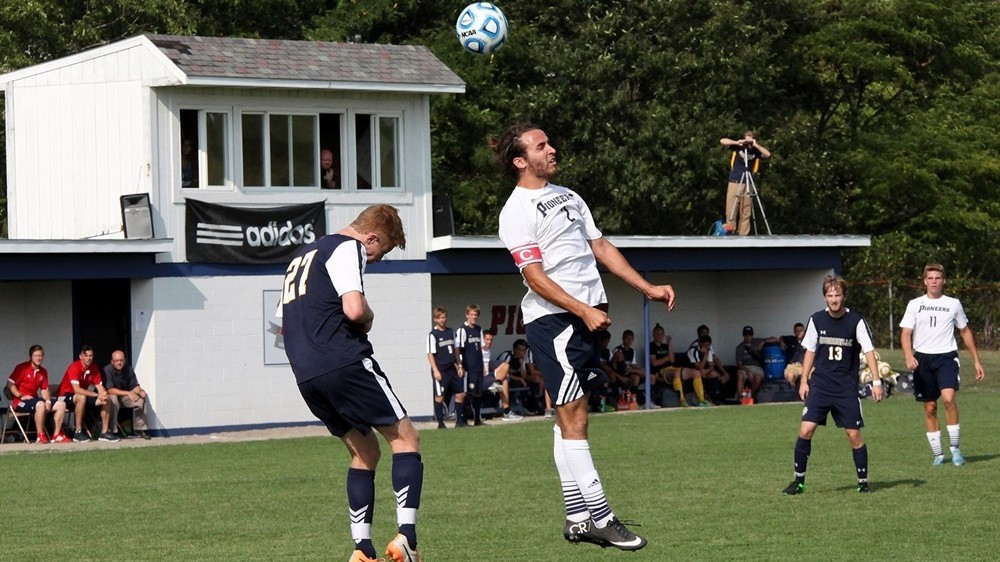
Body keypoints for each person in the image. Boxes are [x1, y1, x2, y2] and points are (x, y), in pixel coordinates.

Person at [495, 123, 676, 551]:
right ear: (522, 161)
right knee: (574, 417)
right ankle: (601, 516)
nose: (552, 149)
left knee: (568, 419)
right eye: (542, 146)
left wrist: (646, 288)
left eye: (549, 143)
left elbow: (601, 247)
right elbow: (535, 279)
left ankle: (577, 518)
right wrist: (583, 311)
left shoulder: (570, 195)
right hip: (555, 323)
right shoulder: (515, 211)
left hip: (584, 322)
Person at [281, 204, 423, 562]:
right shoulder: (347, 247)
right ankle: (407, 538)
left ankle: (363, 549)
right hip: (342, 360)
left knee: (365, 451)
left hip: (306, 374)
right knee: (406, 438)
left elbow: (278, 326)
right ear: (371, 236)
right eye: (381, 251)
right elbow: (355, 310)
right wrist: (369, 316)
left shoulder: (301, 257)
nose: (375, 259)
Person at [782, 275, 882, 496]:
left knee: (853, 435)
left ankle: (863, 481)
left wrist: (876, 382)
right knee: (806, 430)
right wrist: (804, 380)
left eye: (837, 295)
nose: (834, 299)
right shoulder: (816, 320)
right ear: (825, 297)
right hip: (820, 386)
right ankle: (798, 482)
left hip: (845, 388)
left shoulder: (856, 321)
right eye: (830, 295)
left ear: (844, 296)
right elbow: (809, 351)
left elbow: (868, 352)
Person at [899, 263, 986, 466]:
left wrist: (976, 361)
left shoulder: (953, 304)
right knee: (930, 407)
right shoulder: (914, 304)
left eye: (938, 278)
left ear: (944, 280)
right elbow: (905, 333)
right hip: (922, 359)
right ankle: (938, 454)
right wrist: (908, 355)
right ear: (924, 281)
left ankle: (955, 450)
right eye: (930, 278)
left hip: (946, 357)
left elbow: (965, 331)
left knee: (948, 398)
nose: (934, 281)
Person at [6, 345, 71, 444]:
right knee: (40, 404)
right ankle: (40, 435)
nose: (38, 358)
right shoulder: (22, 368)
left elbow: (44, 390)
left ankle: (56, 435)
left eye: (40, 356)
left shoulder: (43, 371)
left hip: (34, 400)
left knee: (61, 404)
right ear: (31, 356)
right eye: (36, 356)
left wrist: (48, 401)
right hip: (20, 402)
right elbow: (10, 384)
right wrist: (20, 396)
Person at [57, 345, 119, 442]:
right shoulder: (74, 367)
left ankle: (104, 432)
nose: (88, 358)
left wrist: (103, 394)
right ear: (80, 356)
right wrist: (96, 395)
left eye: (91, 356)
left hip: (83, 396)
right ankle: (78, 432)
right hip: (65, 396)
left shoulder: (94, 368)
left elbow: (100, 387)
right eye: (86, 356)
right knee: (81, 397)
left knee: (106, 399)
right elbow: (76, 390)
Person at [720, 131, 770, 235]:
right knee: (731, 209)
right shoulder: (739, 147)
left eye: (749, 140)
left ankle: (743, 234)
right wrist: (736, 142)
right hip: (735, 180)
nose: (747, 143)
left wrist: (755, 145)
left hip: (748, 182)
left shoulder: (756, 151)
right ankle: (730, 231)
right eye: (746, 139)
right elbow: (722, 141)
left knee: (746, 210)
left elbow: (767, 154)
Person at [649, 324, 710, 407]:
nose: (660, 336)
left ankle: (701, 400)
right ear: (653, 335)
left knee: (696, 373)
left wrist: (669, 344)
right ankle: (682, 400)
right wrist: (666, 358)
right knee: (676, 372)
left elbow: (672, 359)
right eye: (658, 334)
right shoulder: (651, 346)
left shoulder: (665, 346)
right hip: (660, 373)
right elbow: (654, 363)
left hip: (671, 369)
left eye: (662, 334)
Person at [427, 306, 467, 429]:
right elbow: (430, 354)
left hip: (452, 368)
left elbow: (455, 350)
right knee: (440, 395)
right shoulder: (433, 335)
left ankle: (459, 421)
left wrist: (459, 365)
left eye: (444, 317)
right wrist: (435, 370)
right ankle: (440, 423)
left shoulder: (451, 332)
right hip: (441, 369)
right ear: (435, 319)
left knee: (460, 393)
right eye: (440, 318)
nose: (443, 320)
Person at [103, 350, 152, 439]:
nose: (119, 363)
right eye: (117, 360)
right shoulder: (107, 369)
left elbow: (134, 386)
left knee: (141, 398)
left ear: (124, 361)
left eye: (121, 360)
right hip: (110, 400)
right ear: (112, 361)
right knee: (113, 398)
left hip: (124, 399)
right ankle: (112, 431)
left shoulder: (128, 369)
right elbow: (109, 390)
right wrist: (128, 393)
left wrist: (141, 391)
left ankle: (140, 430)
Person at [480, 329, 523, 421]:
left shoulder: (487, 351)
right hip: (479, 379)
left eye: (491, 340)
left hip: (488, 377)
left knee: (505, 369)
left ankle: (497, 383)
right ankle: (507, 411)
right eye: (487, 339)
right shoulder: (477, 350)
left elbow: (489, 364)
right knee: (504, 380)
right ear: (482, 339)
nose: (489, 342)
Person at [455, 304, 486, 425]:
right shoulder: (462, 330)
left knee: (478, 393)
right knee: (465, 392)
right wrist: (460, 365)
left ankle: (477, 420)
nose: (474, 317)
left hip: (478, 366)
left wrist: (483, 365)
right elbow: (458, 348)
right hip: (468, 367)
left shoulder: (479, 329)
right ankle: (462, 420)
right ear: (467, 314)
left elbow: (481, 349)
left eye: (476, 315)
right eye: (471, 314)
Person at [690, 335, 730, 403]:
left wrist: (706, 372)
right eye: (705, 345)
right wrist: (705, 355)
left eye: (708, 345)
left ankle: (715, 398)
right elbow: (699, 367)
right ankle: (705, 397)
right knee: (701, 372)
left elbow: (711, 366)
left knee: (714, 374)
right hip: (691, 371)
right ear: (700, 344)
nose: (707, 347)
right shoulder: (693, 350)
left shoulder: (709, 351)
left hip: (703, 372)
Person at [734, 325, 769, 401]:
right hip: (745, 367)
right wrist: (748, 371)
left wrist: (763, 342)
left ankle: (749, 396)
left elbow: (775, 339)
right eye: (746, 335)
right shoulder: (739, 347)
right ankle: (740, 398)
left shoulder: (757, 341)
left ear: (752, 335)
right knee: (740, 375)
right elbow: (739, 364)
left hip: (757, 367)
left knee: (758, 378)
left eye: (750, 335)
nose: (748, 337)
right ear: (743, 335)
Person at [781, 322, 808, 387]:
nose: (799, 333)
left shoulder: (808, 341)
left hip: (804, 366)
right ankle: (793, 393)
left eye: (801, 331)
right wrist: (781, 343)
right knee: (790, 376)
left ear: (804, 331)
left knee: (813, 377)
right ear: (794, 331)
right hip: (793, 365)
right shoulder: (790, 339)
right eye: (797, 331)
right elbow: (781, 337)